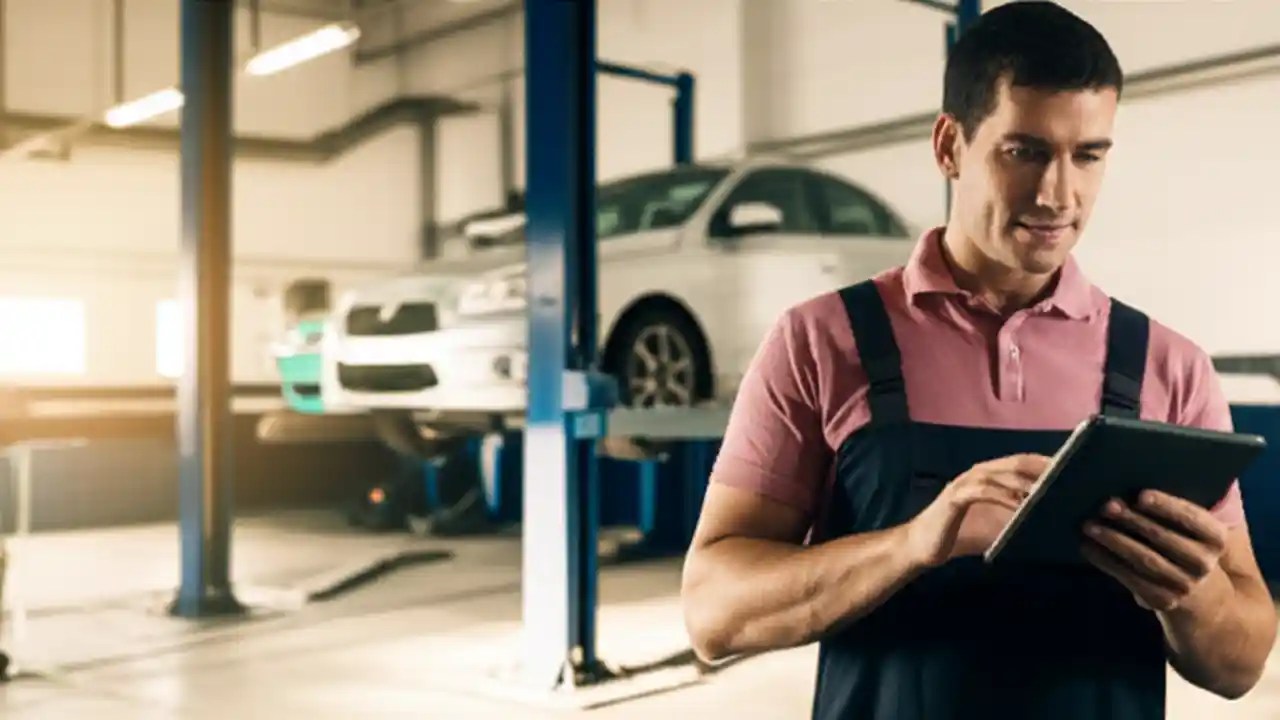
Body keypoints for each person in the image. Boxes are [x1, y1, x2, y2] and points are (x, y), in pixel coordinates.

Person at [680, 2, 1277, 719]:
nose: (1060, 195)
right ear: (949, 145)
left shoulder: (1169, 367)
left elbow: (1241, 665)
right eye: (1024, 151)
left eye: (1088, 155)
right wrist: (911, 546)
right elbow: (714, 615)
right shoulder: (821, 341)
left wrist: (1189, 593)